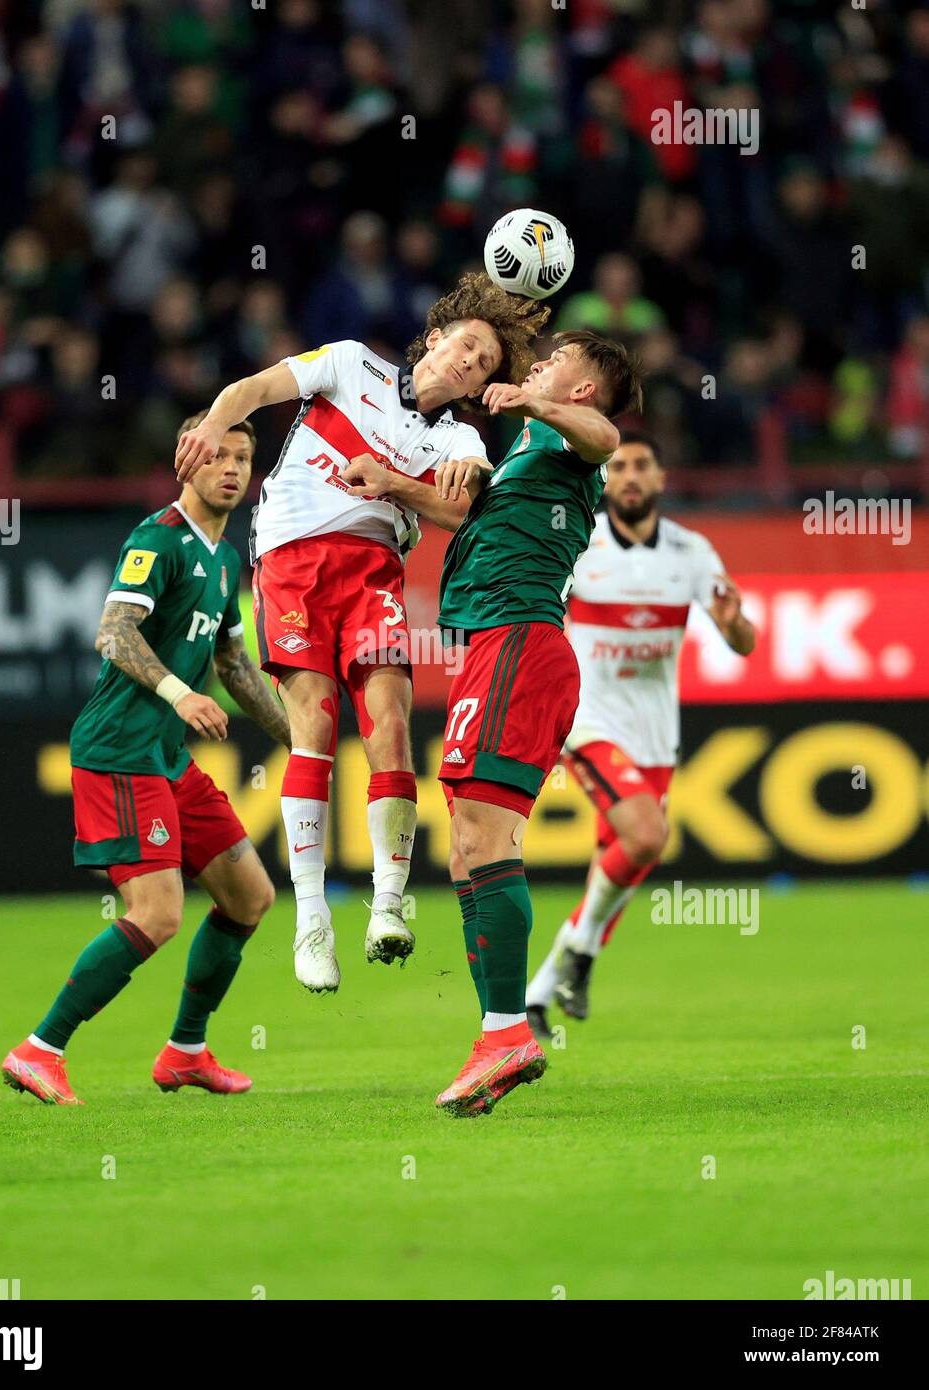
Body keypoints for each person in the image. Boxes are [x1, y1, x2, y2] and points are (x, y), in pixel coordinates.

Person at [175, 273, 548, 993]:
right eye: (466, 346)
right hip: (291, 560)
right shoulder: (350, 363)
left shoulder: (462, 438)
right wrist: (213, 427)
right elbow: (255, 389)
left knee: (390, 725)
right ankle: (311, 919)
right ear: (436, 338)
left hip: (373, 573)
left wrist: (401, 483)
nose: (469, 363)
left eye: (483, 364)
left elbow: (460, 512)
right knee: (312, 725)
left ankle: (387, 903)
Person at [2, 416, 290, 1105]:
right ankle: (40, 1049)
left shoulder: (226, 557)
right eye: (216, 454)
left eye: (243, 457)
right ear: (186, 461)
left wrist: (298, 741)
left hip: (163, 756)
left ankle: (185, 1052)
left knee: (250, 897)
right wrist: (179, 693)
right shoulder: (157, 539)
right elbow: (112, 632)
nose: (230, 467)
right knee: (158, 913)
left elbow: (233, 662)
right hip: (119, 751)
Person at [432, 330, 642, 1118]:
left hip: (523, 644)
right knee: (467, 847)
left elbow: (611, 437)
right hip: (493, 645)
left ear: (583, 389)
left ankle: (506, 1034)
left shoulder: (573, 435)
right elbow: (468, 515)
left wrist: (536, 397)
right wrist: (386, 482)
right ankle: (497, 1037)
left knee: (484, 842)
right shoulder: (530, 451)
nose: (541, 365)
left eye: (558, 362)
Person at [525, 430, 756, 1036]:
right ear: (606, 478)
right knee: (648, 834)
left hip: (656, 733)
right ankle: (580, 954)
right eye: (619, 465)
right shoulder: (581, 541)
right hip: (589, 720)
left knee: (623, 860)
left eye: (641, 466)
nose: (629, 475)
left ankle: (546, 984)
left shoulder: (691, 551)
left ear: (660, 479)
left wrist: (734, 627)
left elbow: (744, 640)